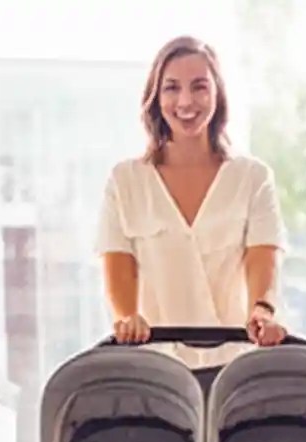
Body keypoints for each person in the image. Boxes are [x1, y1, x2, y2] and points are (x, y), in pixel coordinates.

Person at [98, 35, 289, 377]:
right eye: (171, 88)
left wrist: (262, 311)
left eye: (199, 86)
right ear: (156, 97)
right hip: (156, 368)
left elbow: (263, 257)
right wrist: (127, 319)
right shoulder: (125, 180)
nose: (185, 101)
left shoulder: (252, 177)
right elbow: (118, 265)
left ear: (217, 94)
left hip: (234, 367)